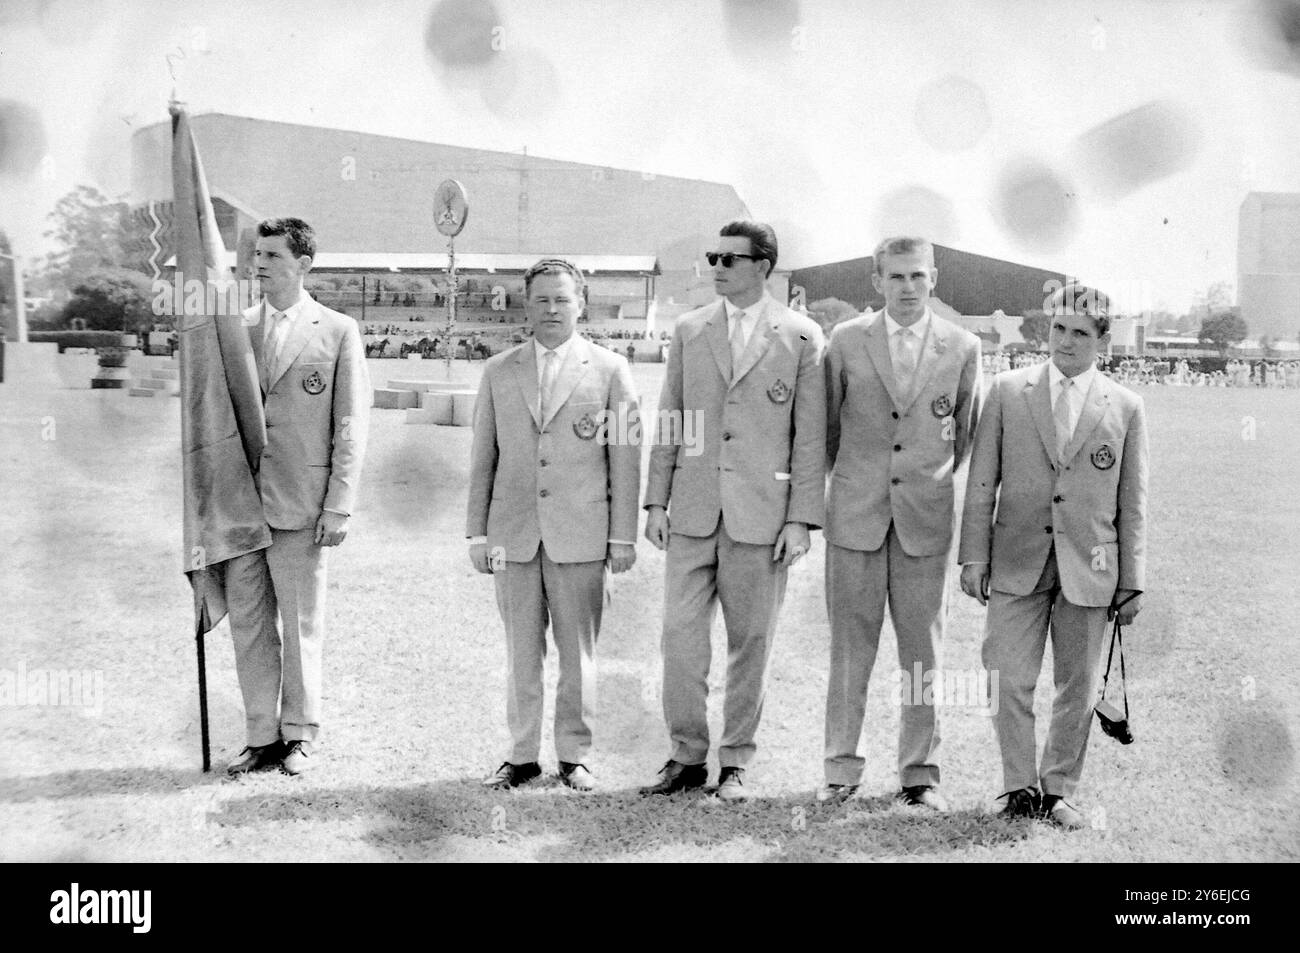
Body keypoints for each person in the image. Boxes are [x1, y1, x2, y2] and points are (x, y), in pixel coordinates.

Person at [641, 220, 826, 802]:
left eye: (729, 259)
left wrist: (800, 518)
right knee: (681, 641)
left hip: (762, 519)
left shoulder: (801, 336)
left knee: (753, 644)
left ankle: (737, 762)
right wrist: (654, 499)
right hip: (693, 513)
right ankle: (685, 757)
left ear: (762, 266)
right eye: (713, 257)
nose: (717, 267)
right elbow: (670, 419)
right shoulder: (690, 330)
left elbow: (810, 438)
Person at [958, 283, 1148, 828]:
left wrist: (1131, 580)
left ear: (1102, 341)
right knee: (1007, 676)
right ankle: (1018, 787)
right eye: (1059, 329)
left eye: (1080, 333)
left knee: (1078, 687)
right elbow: (981, 483)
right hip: (1015, 559)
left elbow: (1132, 504)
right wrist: (974, 556)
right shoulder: (1008, 390)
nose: (1065, 341)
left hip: (1092, 569)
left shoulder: (1127, 407)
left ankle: (1057, 791)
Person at [819, 237, 982, 808]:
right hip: (855, 519)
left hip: (923, 523)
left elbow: (963, 436)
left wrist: (920, 481)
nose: (907, 287)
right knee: (849, 652)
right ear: (876, 282)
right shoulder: (844, 341)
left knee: (923, 657)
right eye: (896, 277)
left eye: (917, 276)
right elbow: (828, 432)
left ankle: (920, 776)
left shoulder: (963, 346)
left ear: (934, 278)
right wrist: (860, 481)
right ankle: (841, 771)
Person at [467, 258, 641, 791]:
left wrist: (622, 536)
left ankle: (575, 756)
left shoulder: (611, 370)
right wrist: (478, 533)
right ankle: (521, 755)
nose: (551, 309)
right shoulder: (499, 371)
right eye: (541, 299)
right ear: (526, 303)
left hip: (583, 536)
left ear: (580, 304)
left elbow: (626, 458)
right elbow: (484, 459)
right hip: (514, 537)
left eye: (562, 299)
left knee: (578, 654)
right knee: (521, 653)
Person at [225, 217, 370, 776]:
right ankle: (261, 735)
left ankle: (300, 733)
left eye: (273, 256)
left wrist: (339, 503)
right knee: (250, 622)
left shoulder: (336, 330)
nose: (260, 264)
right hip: (241, 505)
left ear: (304, 264)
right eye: (257, 255)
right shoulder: (235, 327)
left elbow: (352, 424)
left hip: (303, 503)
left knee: (301, 619)